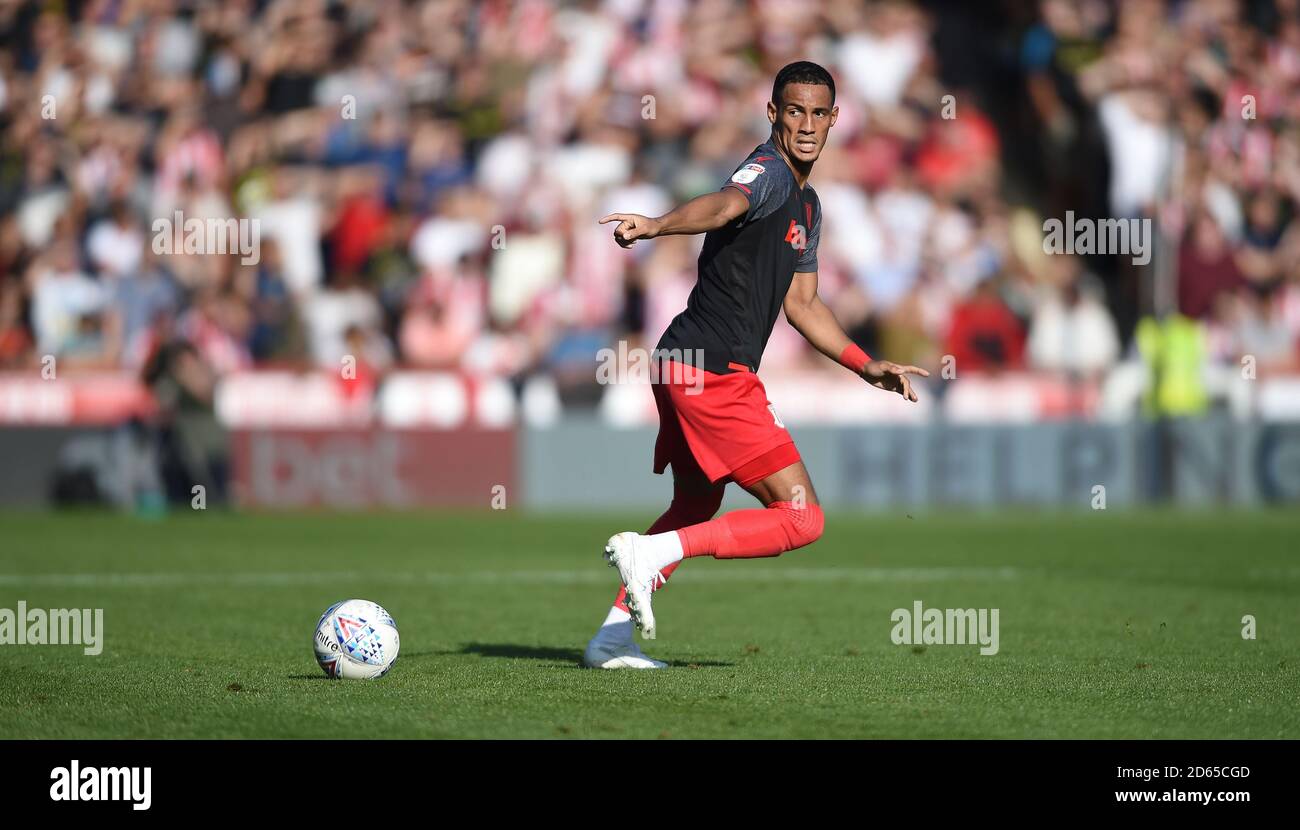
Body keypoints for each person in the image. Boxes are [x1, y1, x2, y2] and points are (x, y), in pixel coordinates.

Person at [585, 62, 929, 669]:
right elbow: (724, 206)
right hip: (711, 370)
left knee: (695, 507)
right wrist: (659, 225)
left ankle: (611, 639)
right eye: (793, 110)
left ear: (834, 120)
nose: (806, 124)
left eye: (818, 113)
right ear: (773, 114)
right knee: (801, 518)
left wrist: (863, 363)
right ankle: (651, 554)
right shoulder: (767, 173)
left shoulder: (808, 205)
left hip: (683, 362)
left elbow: (803, 303)